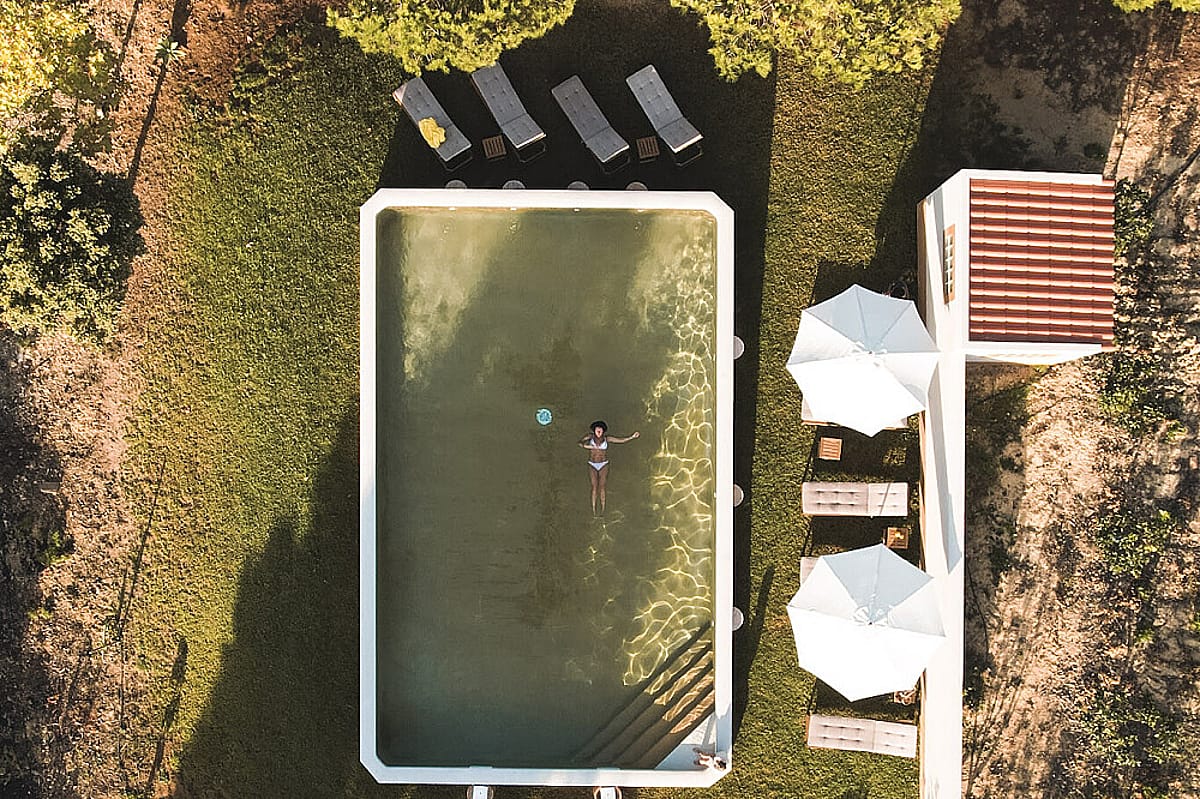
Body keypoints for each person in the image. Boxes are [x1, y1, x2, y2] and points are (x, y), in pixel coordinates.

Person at [578, 420, 639, 515]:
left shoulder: (607, 439)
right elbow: (580, 443)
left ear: (603, 431)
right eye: (597, 430)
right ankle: (593, 510)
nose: (598, 431)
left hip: (603, 464)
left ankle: (602, 510)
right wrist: (588, 447)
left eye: (600, 430)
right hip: (592, 464)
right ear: (594, 430)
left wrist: (632, 437)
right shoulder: (590, 437)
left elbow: (621, 440)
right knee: (594, 487)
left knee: (602, 487)